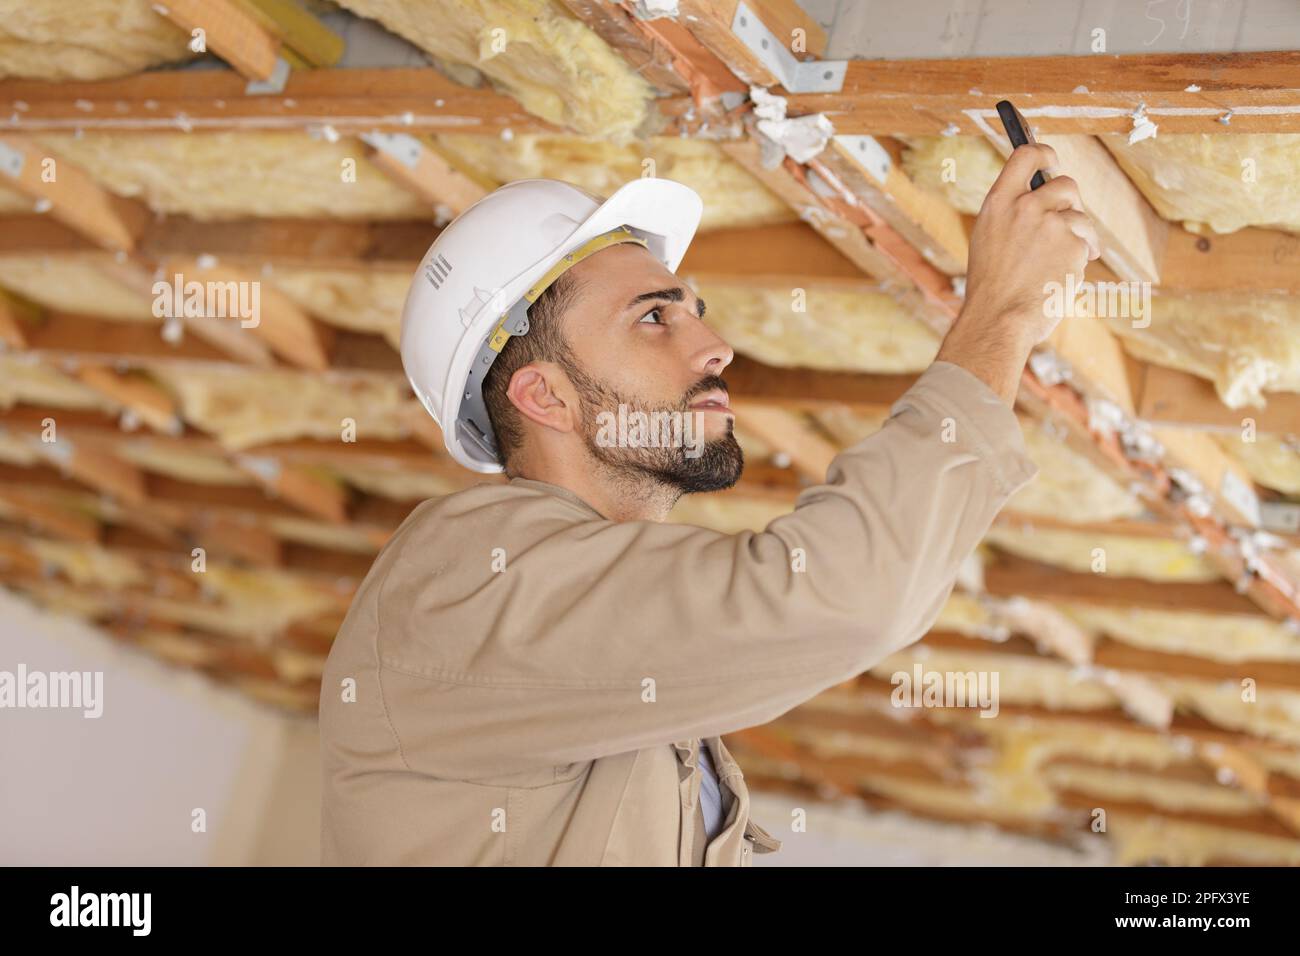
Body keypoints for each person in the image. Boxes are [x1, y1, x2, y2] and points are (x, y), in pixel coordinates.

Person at [320, 143, 1100, 866]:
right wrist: (1000, 315)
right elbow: (847, 594)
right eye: (655, 316)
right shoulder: (460, 582)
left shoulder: (595, 645)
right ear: (544, 397)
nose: (715, 344)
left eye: (692, 309)